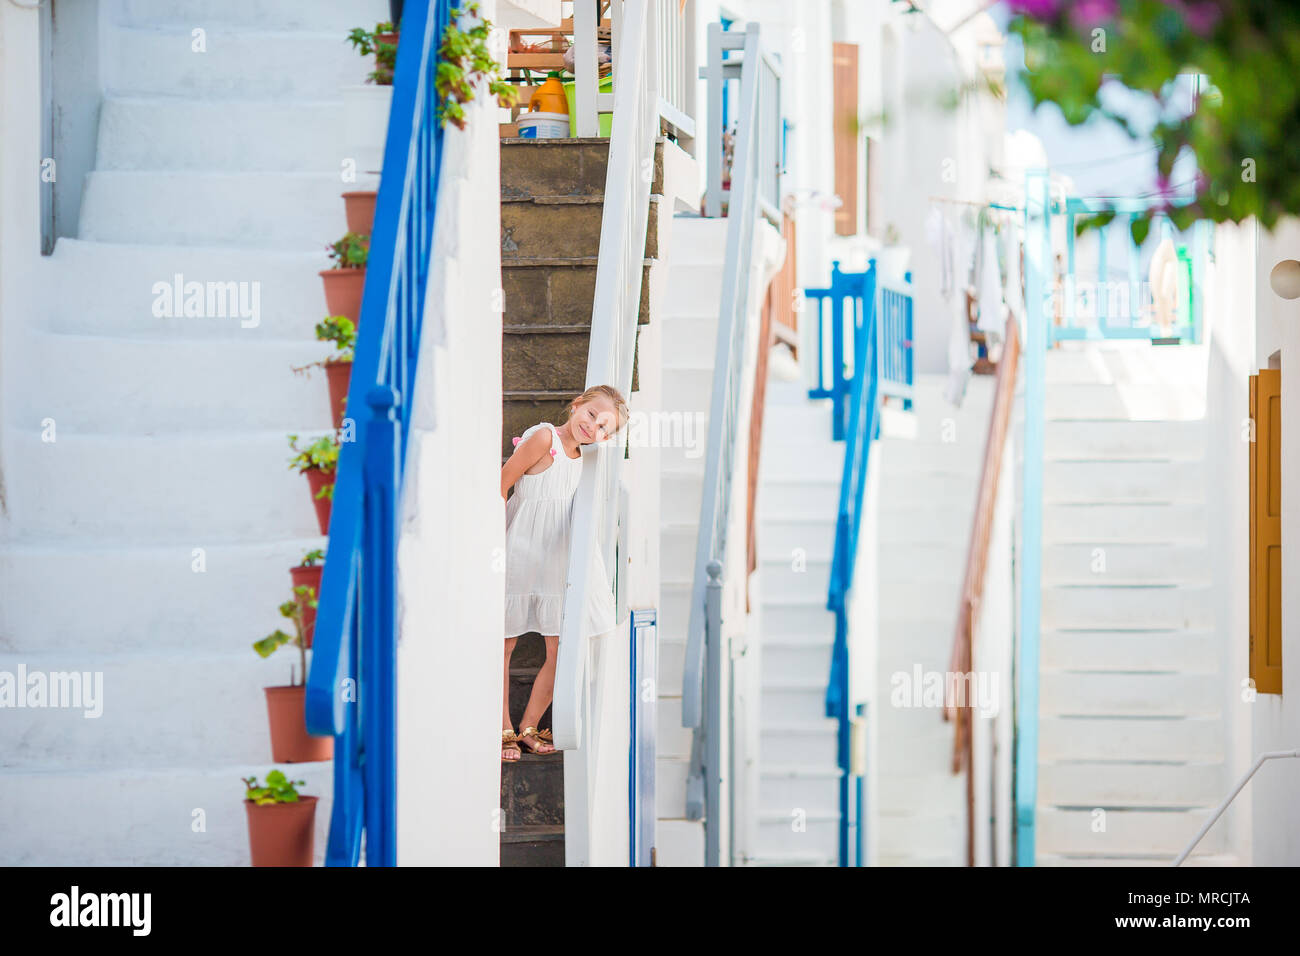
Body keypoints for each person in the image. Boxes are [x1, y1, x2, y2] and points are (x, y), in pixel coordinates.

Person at [498, 385, 628, 761]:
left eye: (604, 427)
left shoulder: (587, 461)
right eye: (591, 415)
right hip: (520, 551)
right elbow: (503, 483)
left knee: (559, 648)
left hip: (556, 560)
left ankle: (528, 727)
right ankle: (502, 728)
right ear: (576, 406)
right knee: (506, 643)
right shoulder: (544, 439)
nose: (593, 427)